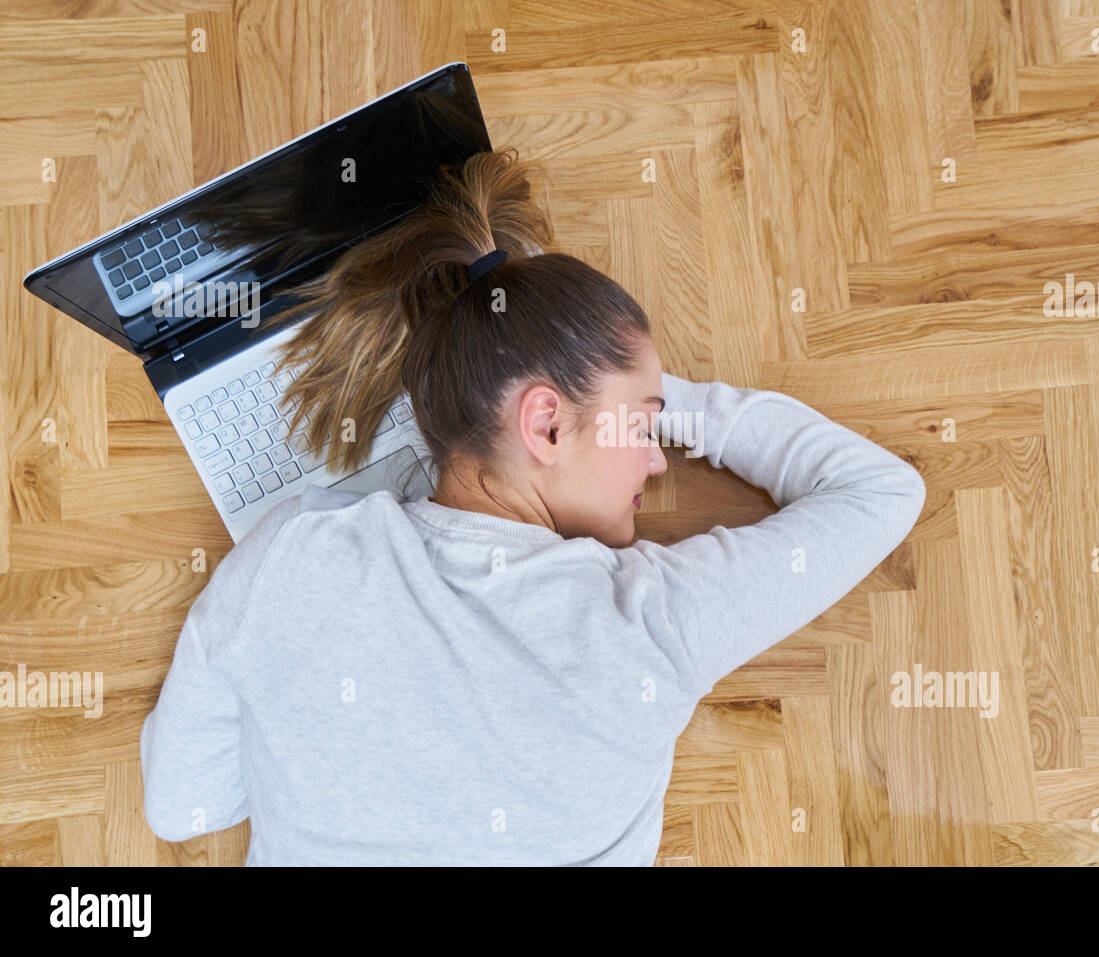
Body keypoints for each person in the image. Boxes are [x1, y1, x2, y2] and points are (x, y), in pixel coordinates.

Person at [139, 147, 927, 865]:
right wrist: (674, 399)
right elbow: (880, 491)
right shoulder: (654, 622)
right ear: (545, 422)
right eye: (646, 424)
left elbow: (185, 807)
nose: (657, 459)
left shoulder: (295, 558)